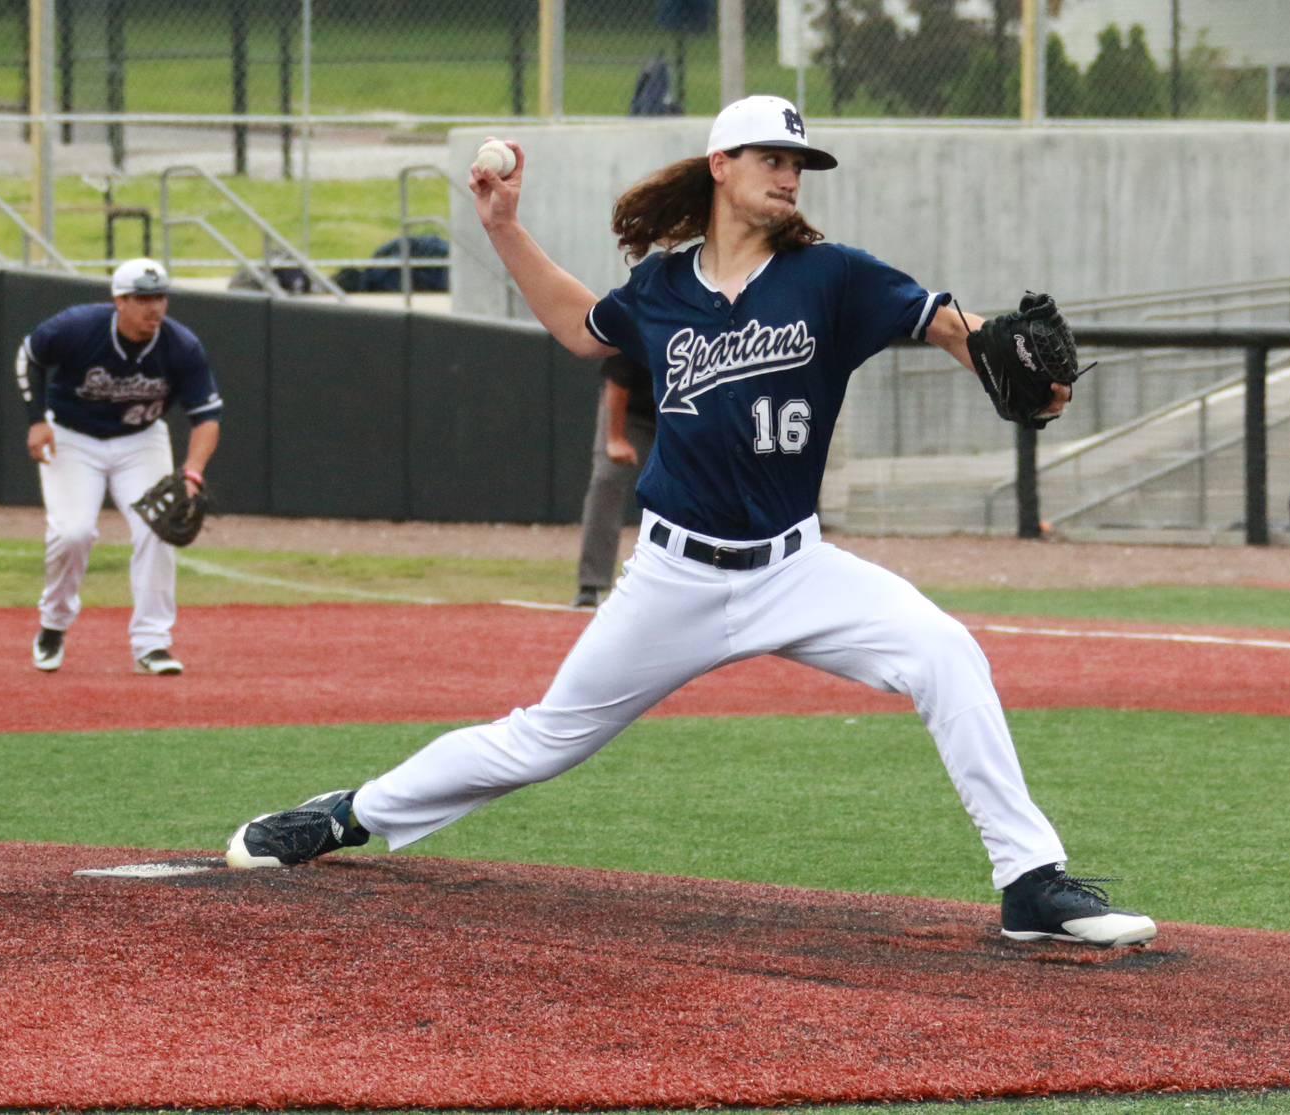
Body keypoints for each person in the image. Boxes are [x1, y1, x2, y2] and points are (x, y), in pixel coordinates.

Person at [225, 97, 1154, 949]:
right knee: (541, 740)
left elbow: (950, 323)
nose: (789, 175)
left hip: (795, 568)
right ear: (720, 164)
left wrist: (1011, 358)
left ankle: (1030, 880)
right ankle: (345, 814)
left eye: (798, 162)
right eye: (771, 157)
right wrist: (503, 226)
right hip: (675, 576)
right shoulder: (663, 286)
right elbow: (580, 326)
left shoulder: (832, 276)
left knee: (945, 652)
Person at [19, 258, 223, 676]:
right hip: (72, 437)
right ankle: (54, 623)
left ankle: (152, 643)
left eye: (160, 297)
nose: (155, 307)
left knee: (158, 529)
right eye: (143, 298)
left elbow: (207, 417)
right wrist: (36, 420)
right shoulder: (78, 327)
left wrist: (192, 471)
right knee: (72, 533)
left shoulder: (181, 345)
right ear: (120, 301)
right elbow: (29, 357)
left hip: (140, 440)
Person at [573, 354, 659, 607]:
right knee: (607, 480)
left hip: (679, 414)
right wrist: (615, 438)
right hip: (628, 411)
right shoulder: (638, 330)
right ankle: (590, 584)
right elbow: (617, 380)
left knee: (690, 489)